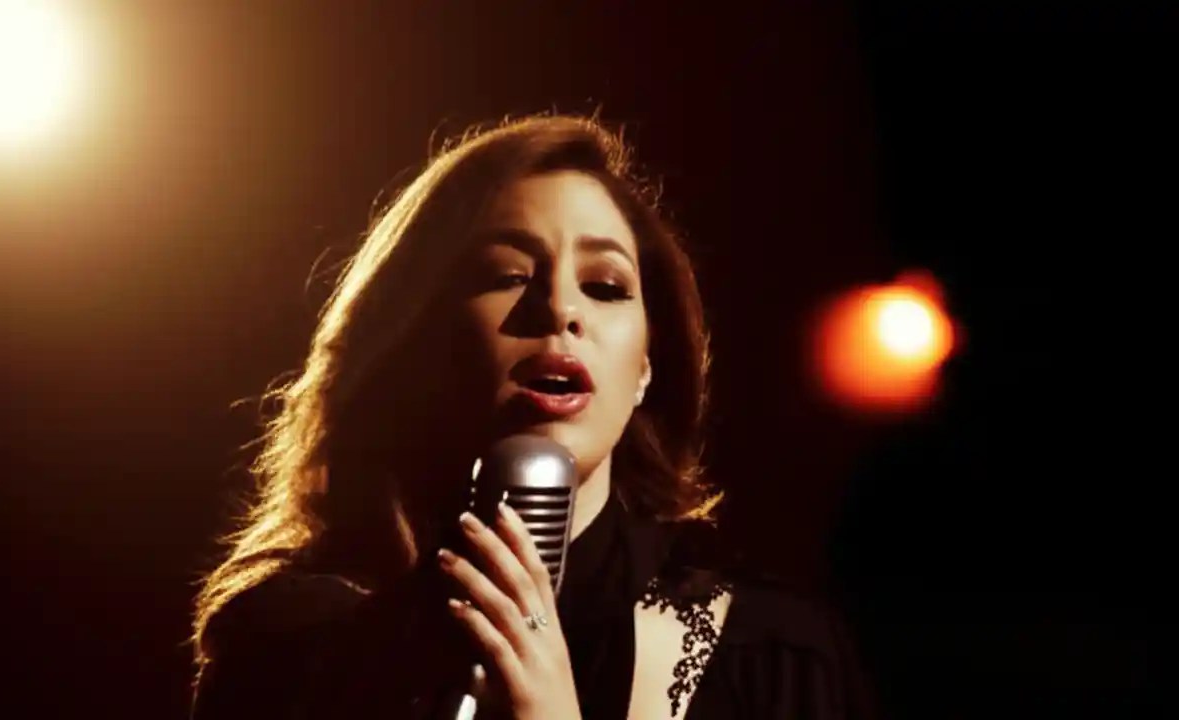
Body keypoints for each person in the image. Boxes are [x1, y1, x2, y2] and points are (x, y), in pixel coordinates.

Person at [190, 114, 876, 719]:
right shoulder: (295, 651)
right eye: (508, 276)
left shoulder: (777, 656)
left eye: (605, 287)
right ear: (418, 340)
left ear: (645, 369)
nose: (560, 309)